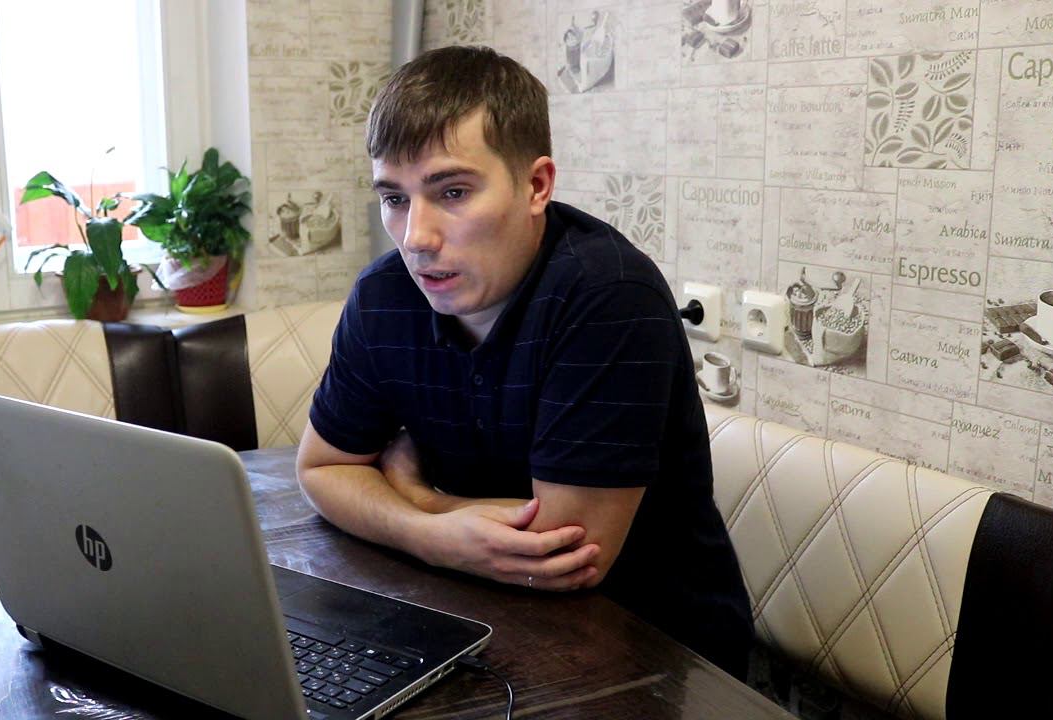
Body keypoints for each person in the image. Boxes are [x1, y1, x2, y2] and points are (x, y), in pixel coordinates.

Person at [295, 45, 752, 678]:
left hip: (658, 656)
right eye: (395, 198)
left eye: (453, 191)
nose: (416, 238)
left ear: (536, 186)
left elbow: (562, 556)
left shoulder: (609, 296)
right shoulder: (384, 295)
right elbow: (321, 468)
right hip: (476, 623)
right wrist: (432, 535)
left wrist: (415, 494)